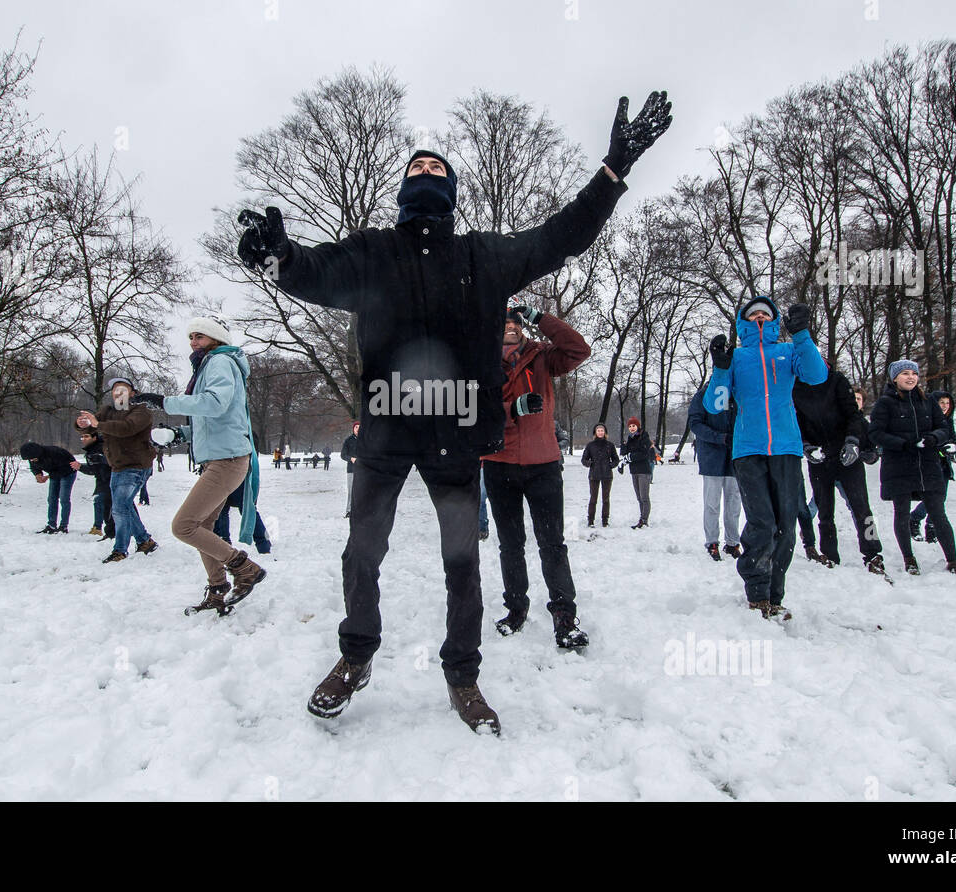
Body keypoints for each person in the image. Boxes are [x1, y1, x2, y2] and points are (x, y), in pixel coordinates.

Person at [236, 91, 671, 734]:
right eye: (417, 169)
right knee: (362, 553)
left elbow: (563, 236)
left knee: (462, 561)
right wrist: (279, 258)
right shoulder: (374, 252)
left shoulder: (482, 257)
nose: (427, 173)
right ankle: (354, 659)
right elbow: (314, 271)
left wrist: (613, 172)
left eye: (438, 169)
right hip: (385, 432)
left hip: (458, 436)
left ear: (454, 190)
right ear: (404, 188)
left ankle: (463, 675)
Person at [132, 316, 266, 614]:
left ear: (215, 338)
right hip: (221, 458)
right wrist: (180, 434)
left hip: (227, 460)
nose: (193, 341)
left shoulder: (219, 362)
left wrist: (165, 401)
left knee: (183, 526)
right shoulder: (209, 365)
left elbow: (214, 404)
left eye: (200, 336)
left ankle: (244, 568)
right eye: (191, 336)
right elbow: (217, 418)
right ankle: (218, 588)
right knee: (204, 525)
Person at [703, 296, 827, 617]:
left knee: (786, 525)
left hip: (786, 448)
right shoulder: (738, 357)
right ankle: (757, 591)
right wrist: (720, 369)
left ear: (772, 322)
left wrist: (801, 334)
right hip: (748, 450)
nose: (759, 317)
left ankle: (774, 594)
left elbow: (817, 375)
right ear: (744, 323)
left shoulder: (787, 352)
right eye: (753, 314)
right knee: (762, 522)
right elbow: (715, 405)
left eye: (765, 314)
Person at [482, 305, 591, 646]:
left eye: (515, 321)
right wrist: (511, 409)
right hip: (499, 464)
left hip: (543, 462)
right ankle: (516, 610)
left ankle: (564, 616)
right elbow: (471, 408)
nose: (510, 326)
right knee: (510, 545)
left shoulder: (542, 356)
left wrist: (540, 317)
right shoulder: (479, 361)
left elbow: (578, 349)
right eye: (504, 322)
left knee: (552, 544)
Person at [868, 360, 956, 576]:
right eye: (904, 374)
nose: (910, 377)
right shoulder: (885, 403)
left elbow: (943, 428)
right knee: (901, 514)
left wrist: (933, 438)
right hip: (899, 466)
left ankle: (953, 561)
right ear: (894, 378)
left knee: (938, 514)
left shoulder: (928, 401)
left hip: (927, 465)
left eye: (914, 373)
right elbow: (875, 433)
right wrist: (902, 443)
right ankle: (909, 558)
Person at [793, 366, 886, 574]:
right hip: (819, 458)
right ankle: (829, 555)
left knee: (862, 507)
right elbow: (795, 421)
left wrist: (853, 441)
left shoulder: (837, 380)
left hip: (847, 455)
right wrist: (806, 446)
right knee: (824, 511)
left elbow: (854, 415)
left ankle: (873, 554)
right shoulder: (795, 386)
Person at [77, 377, 159, 564]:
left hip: (136, 466)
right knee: (125, 505)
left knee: (119, 508)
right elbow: (92, 426)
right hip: (116, 465)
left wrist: (98, 425)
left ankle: (120, 550)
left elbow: (127, 428)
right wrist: (83, 424)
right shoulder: (108, 411)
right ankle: (145, 541)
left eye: (123, 388)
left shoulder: (140, 410)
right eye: (115, 389)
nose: (118, 392)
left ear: (132, 392)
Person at [687, 384, 740, 561]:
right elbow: (695, 423)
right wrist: (719, 437)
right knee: (712, 503)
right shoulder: (705, 393)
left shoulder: (737, 390)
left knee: (734, 502)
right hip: (712, 457)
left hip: (735, 456)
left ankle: (732, 542)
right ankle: (712, 542)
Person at [909, 390, 956, 542]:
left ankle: (931, 527)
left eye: (947, 403)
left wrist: (955, 447)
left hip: (944, 466)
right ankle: (915, 519)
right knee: (933, 499)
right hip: (929, 465)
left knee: (940, 498)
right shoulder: (927, 419)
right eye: (941, 403)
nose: (944, 406)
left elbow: (953, 439)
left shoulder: (948, 420)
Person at [19, 441, 77, 534]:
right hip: (54, 474)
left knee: (64, 498)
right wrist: (38, 474)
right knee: (52, 499)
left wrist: (48, 477)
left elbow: (64, 468)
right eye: (30, 460)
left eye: (33, 458)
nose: (32, 461)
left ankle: (63, 526)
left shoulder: (54, 453)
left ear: (37, 454)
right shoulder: (33, 458)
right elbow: (34, 467)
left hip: (68, 472)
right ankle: (51, 525)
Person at [212, 478, 273, 555]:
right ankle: (263, 543)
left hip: (230, 477)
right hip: (238, 477)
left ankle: (222, 543)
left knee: (222, 509)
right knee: (247, 510)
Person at [619, 416, 656, 529]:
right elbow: (624, 453)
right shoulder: (630, 439)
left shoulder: (644, 437)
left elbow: (643, 453)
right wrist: (624, 446)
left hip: (644, 471)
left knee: (644, 497)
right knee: (639, 497)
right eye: (630, 426)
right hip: (634, 471)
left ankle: (644, 520)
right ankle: (642, 517)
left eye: (634, 426)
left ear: (638, 426)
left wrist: (630, 457)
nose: (632, 428)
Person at [77, 428, 115, 539]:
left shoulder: (102, 447)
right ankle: (101, 528)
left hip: (112, 480)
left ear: (94, 438)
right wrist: (80, 467)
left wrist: (100, 459)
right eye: (82, 437)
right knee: (100, 502)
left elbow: (112, 462)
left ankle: (111, 530)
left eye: (86, 436)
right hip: (102, 481)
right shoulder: (90, 450)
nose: (83, 439)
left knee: (109, 505)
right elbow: (93, 469)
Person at [581, 424, 619, 527]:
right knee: (593, 499)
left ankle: (605, 520)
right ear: (595, 432)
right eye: (598, 430)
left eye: (602, 430)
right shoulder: (590, 445)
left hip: (607, 475)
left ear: (605, 432)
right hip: (594, 475)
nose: (600, 432)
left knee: (606, 499)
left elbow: (616, 459)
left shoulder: (610, 445)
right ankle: (591, 520)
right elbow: (584, 459)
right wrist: (590, 464)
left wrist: (611, 465)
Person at [340, 421, 360, 518]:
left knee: (363, 491)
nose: (358, 429)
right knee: (351, 491)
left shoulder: (365, 441)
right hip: (351, 470)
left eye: (360, 427)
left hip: (363, 470)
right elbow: (343, 455)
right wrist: (351, 458)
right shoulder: (348, 440)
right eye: (356, 427)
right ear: (353, 428)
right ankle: (349, 511)